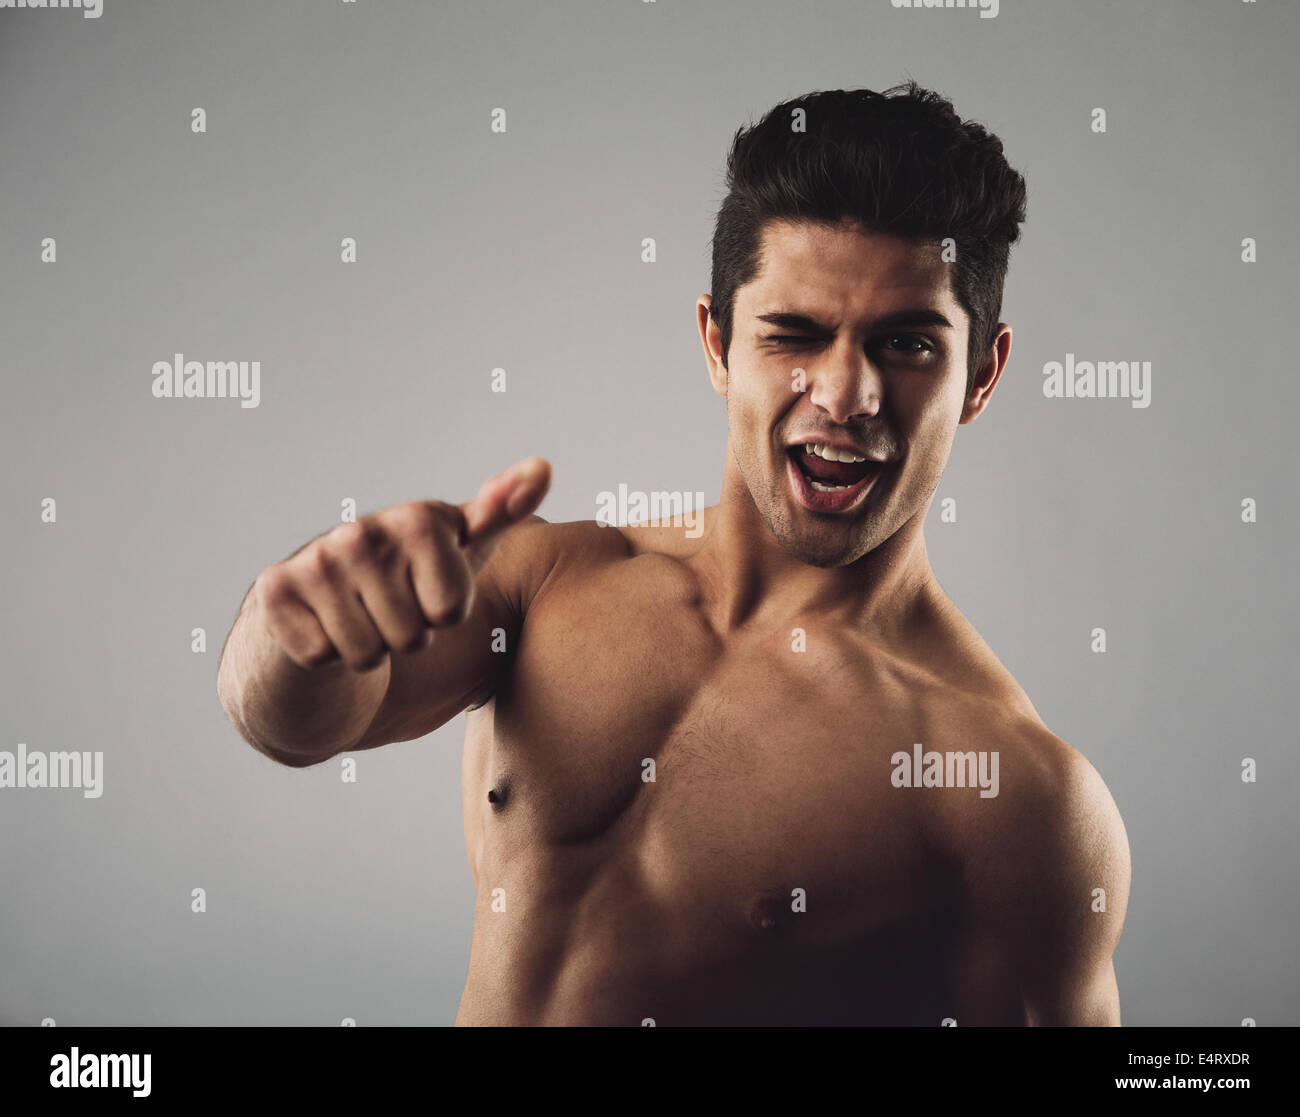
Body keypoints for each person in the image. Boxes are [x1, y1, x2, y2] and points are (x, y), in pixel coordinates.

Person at [217, 82, 1131, 1026]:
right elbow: (291, 724)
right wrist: (296, 632)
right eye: (795, 334)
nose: (845, 394)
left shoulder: (1007, 790)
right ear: (717, 344)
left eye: (905, 344)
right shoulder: (547, 580)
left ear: (981, 373)